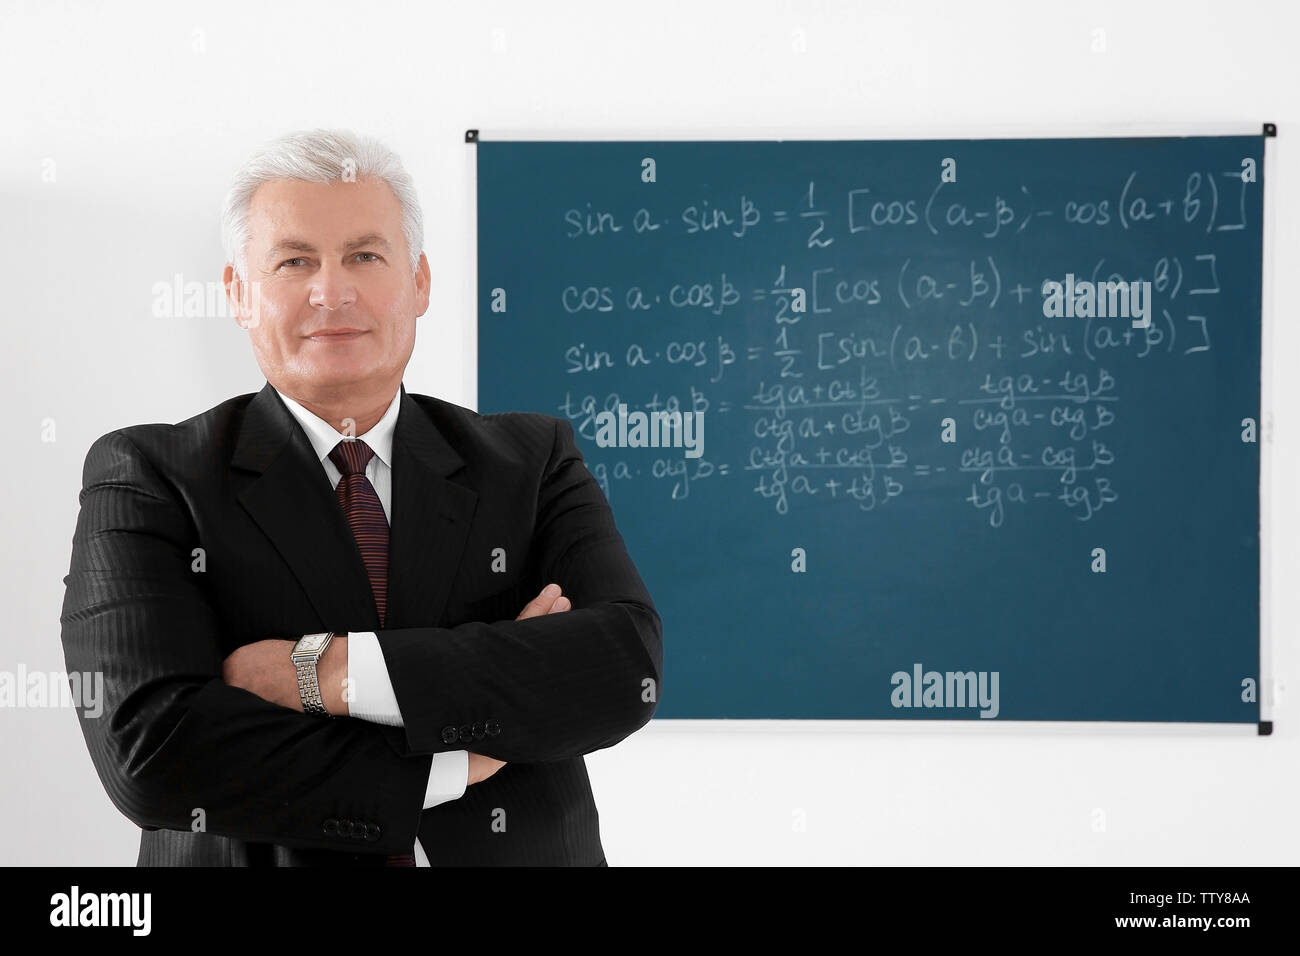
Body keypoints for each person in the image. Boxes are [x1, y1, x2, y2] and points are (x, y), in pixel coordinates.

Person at [59, 128, 662, 866]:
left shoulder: (530, 461)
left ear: (420, 283)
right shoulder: (148, 475)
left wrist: (322, 673)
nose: (331, 291)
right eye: (294, 261)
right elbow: (152, 753)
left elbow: (619, 669)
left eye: (364, 256)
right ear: (238, 296)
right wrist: (453, 760)